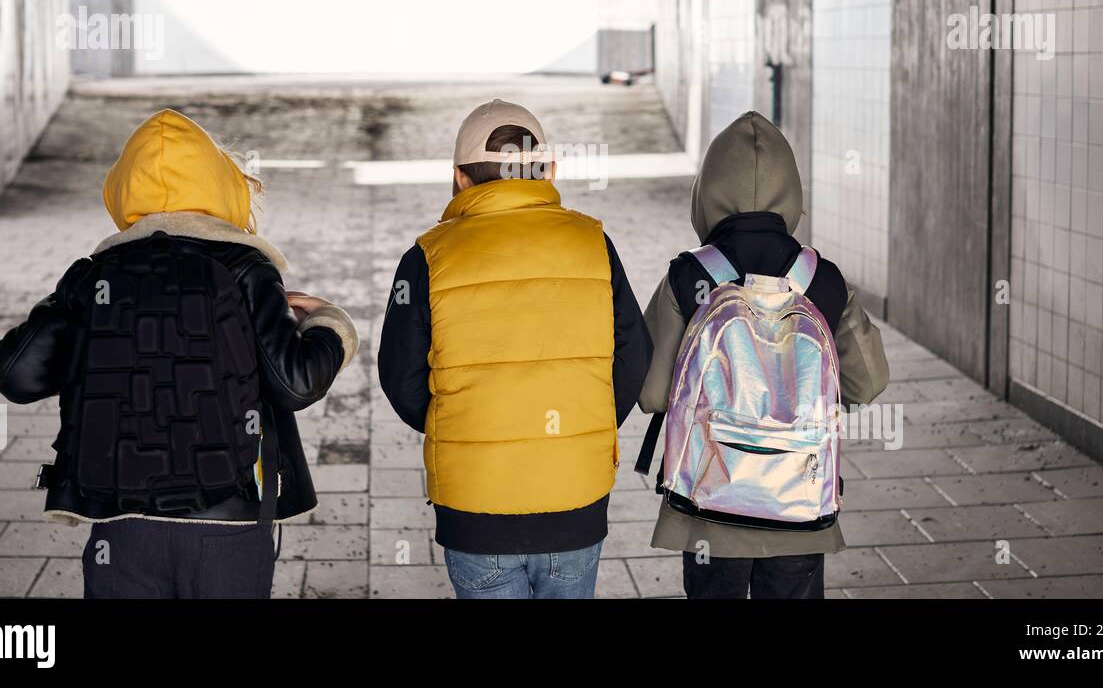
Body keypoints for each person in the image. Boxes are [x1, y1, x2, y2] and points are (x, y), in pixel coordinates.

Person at [0, 108, 357, 598]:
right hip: (231, 524)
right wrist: (330, 323)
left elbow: (17, 375)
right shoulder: (247, 268)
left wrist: (70, 298)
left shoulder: (95, 276)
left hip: (121, 526)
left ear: (122, 192)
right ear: (224, 187)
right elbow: (296, 382)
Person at [379, 99, 651, 599]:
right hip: (575, 504)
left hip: (475, 511)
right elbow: (634, 355)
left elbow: (400, 378)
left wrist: (461, 424)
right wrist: (582, 423)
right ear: (549, 170)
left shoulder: (425, 257)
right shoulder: (594, 243)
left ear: (459, 178)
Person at [638, 111, 889, 599]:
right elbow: (868, 382)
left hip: (711, 504)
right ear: (792, 193)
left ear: (706, 193)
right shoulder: (824, 280)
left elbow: (650, 395)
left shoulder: (689, 276)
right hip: (798, 504)